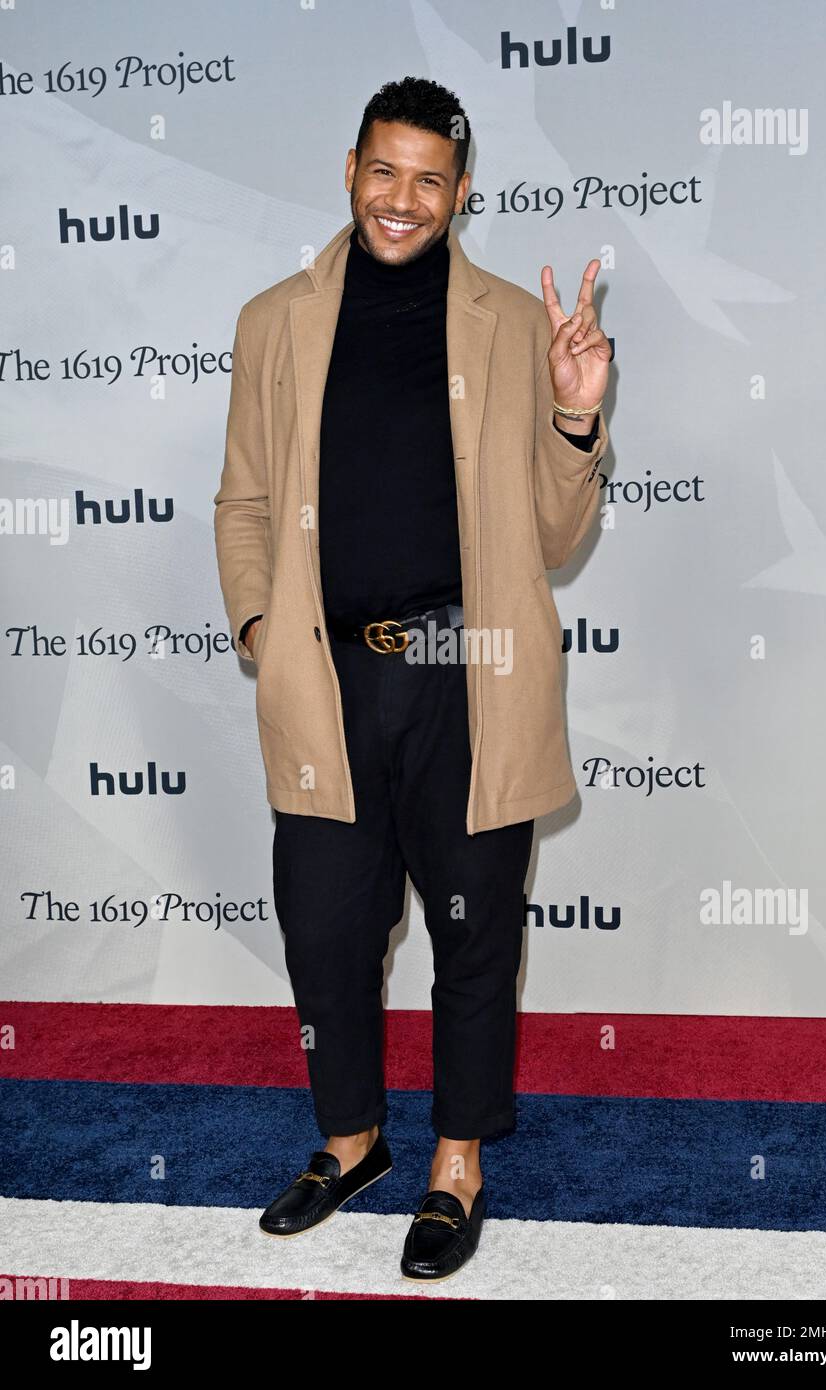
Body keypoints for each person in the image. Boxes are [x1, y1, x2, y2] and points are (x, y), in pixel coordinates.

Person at [212, 75, 611, 1282]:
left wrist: (574, 419)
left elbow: (550, 538)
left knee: (471, 930)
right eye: (382, 172)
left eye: (428, 179)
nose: (402, 199)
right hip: (325, 676)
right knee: (326, 931)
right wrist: (263, 629)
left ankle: (452, 1165)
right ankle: (351, 1142)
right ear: (348, 171)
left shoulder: (505, 322)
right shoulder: (272, 320)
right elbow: (240, 499)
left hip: (466, 669)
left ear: (460, 190)